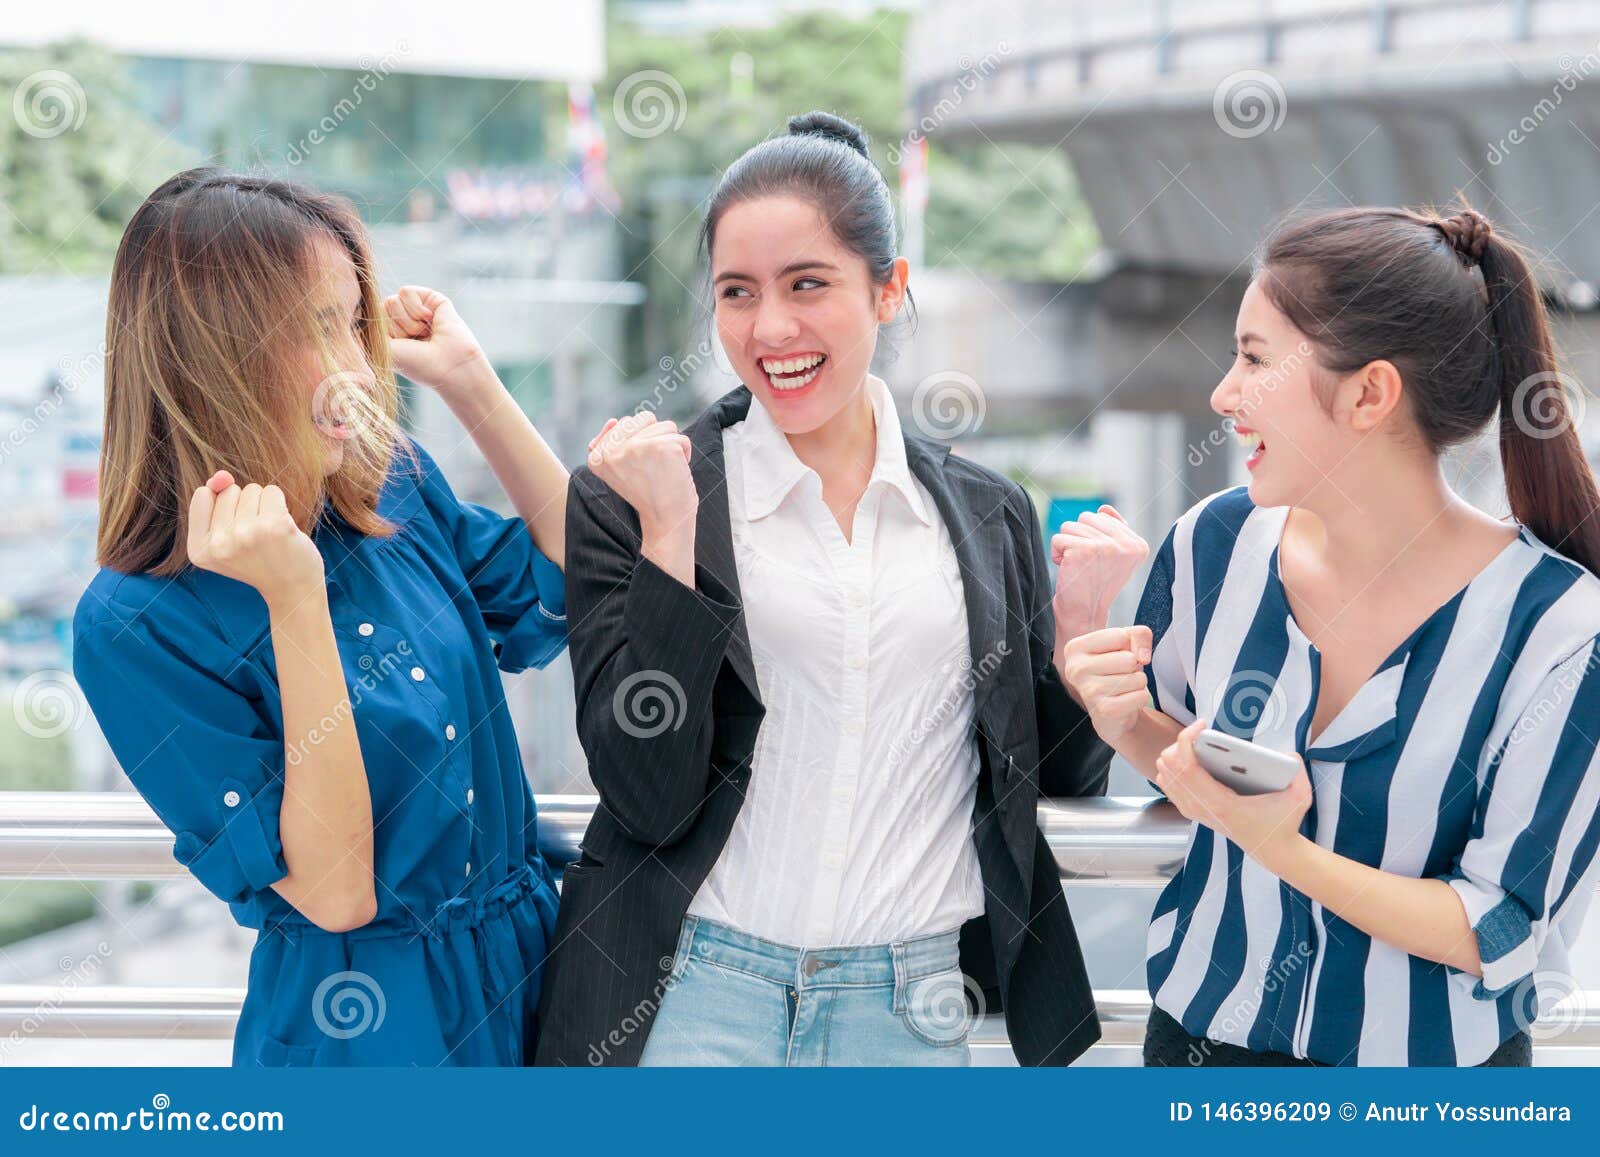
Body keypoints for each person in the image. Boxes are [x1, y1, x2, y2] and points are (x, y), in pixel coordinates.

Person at [534, 112, 1122, 1067]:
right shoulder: (633, 496)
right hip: (689, 999)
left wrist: (1084, 633)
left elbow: (1058, 778)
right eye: (738, 292)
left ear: (889, 290)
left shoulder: (986, 512)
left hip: (912, 1004)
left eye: (808, 284)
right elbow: (646, 793)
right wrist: (671, 535)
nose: (771, 328)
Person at [1058, 205, 1600, 1066]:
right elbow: (1196, 777)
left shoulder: (1560, 628)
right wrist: (1118, 713)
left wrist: (1285, 850)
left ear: (1370, 394)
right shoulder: (1211, 544)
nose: (1223, 393)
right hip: (1197, 1050)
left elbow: (1496, 926)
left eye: (1254, 358)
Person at [73, 168, 570, 1065]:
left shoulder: (393, 486)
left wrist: (472, 385)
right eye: (314, 328)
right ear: (212, 354)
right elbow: (338, 891)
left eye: (353, 319)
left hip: (544, 980)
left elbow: (569, 582)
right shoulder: (135, 621)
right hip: (375, 1039)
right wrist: (294, 598)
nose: (357, 363)